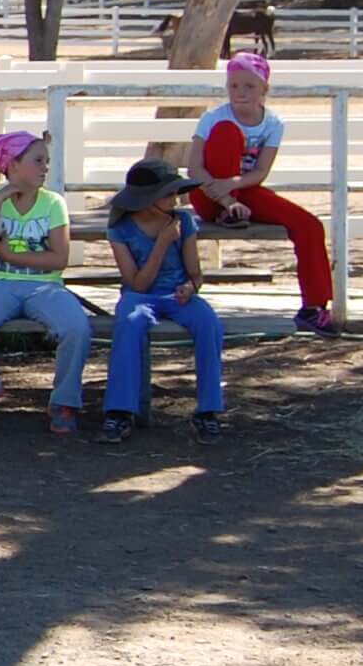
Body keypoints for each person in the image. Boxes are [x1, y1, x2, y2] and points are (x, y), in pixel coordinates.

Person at [183, 51, 337, 334]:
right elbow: (194, 168)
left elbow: (260, 171)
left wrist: (234, 185)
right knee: (227, 131)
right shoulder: (213, 117)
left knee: (309, 225)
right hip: (209, 192)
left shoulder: (273, 123)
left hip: (243, 189)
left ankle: (314, 307)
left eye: (249, 86)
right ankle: (227, 213)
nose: (240, 92)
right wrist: (225, 197)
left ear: (264, 89)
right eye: (234, 86)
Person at [0, 130, 96, 436]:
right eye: (37, 161)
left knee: (76, 328)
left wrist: (9, 254)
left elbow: (59, 258)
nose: (45, 167)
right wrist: (1, 197)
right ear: (13, 165)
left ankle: (64, 401)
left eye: (46, 161)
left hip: (45, 286)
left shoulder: (53, 203)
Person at [98, 158, 228, 445]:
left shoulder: (184, 221)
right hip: (139, 296)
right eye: (168, 193)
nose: (176, 198)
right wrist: (162, 242)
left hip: (177, 296)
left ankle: (208, 411)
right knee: (129, 324)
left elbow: (196, 274)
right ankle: (120, 411)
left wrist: (190, 287)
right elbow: (137, 283)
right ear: (148, 198)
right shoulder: (120, 229)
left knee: (210, 324)